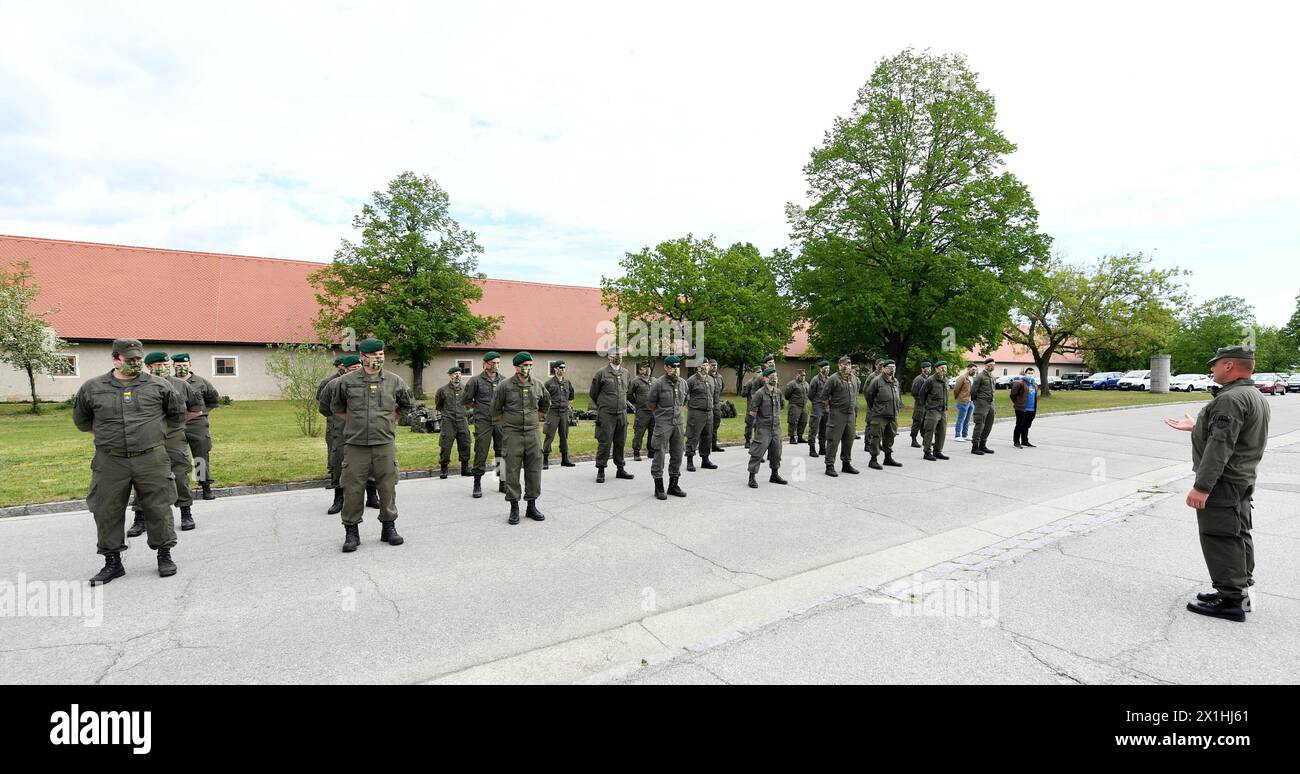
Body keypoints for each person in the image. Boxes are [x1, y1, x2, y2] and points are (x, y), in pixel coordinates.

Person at [1165, 346, 1270, 622]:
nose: (1211, 369)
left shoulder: (1231, 399)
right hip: (1240, 479)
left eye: (1215, 364)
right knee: (1238, 533)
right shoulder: (1252, 394)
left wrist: (1202, 486)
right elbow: (1232, 433)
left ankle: (1231, 599)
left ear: (1229, 366)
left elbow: (1220, 445)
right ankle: (1237, 588)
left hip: (1224, 482)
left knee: (1221, 536)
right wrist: (1198, 424)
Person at [74, 338, 186, 584]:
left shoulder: (160, 386)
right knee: (106, 509)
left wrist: (152, 433)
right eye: (130, 360)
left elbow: (176, 417)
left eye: (138, 359)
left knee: (158, 506)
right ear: (115, 359)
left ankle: (164, 554)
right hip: (110, 460)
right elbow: (82, 422)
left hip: (151, 458)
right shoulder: (93, 388)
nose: (136, 364)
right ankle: (112, 562)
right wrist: (109, 437)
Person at [330, 338, 414, 552]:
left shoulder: (394, 381)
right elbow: (337, 407)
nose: (379, 357)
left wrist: (387, 421)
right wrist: (356, 423)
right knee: (352, 488)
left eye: (381, 353)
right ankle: (351, 532)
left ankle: (389, 527)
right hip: (356, 444)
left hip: (384, 442)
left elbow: (406, 405)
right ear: (363, 357)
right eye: (374, 354)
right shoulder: (346, 382)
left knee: (387, 487)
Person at [126, 352, 203, 535]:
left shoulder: (181, 385)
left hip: (173, 437)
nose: (163, 366)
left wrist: (174, 424)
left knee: (180, 473)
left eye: (165, 363)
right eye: (157, 364)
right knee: (143, 477)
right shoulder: (137, 386)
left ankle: (186, 512)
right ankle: (140, 518)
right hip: (146, 438)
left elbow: (196, 409)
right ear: (148, 367)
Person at [492, 352, 550, 525]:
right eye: (524, 365)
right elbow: (495, 410)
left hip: (533, 433)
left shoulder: (538, 385)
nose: (527, 368)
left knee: (534, 470)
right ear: (516, 367)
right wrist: (510, 423)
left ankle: (531, 505)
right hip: (512, 434)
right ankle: (514, 507)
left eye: (530, 365)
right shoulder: (504, 386)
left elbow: (545, 405)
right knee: (511, 470)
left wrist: (535, 418)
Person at [170, 353, 220, 499]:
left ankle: (205, 486)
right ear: (173, 366)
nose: (182, 368)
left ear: (190, 365)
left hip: (197, 424)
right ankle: (180, 489)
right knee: (177, 457)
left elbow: (213, 401)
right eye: (179, 366)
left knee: (200, 456)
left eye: (185, 365)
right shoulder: (169, 382)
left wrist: (201, 414)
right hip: (175, 425)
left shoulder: (201, 382)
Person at [589, 346, 636, 483]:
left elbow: (627, 392)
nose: (618, 357)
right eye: (616, 355)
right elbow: (594, 393)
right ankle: (601, 469)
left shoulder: (626, 373)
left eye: (620, 354)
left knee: (620, 442)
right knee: (605, 442)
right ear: (609, 357)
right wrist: (603, 405)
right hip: (606, 414)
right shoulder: (601, 373)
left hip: (621, 413)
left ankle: (620, 469)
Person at [463, 350, 505, 498]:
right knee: (481, 450)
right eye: (493, 363)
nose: (495, 366)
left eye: (498, 363)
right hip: (483, 421)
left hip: (500, 421)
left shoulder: (504, 381)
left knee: (502, 451)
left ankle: (502, 481)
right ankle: (477, 483)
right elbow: (466, 400)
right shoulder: (475, 381)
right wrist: (480, 408)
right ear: (485, 363)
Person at [647, 355, 688, 500]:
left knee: (677, 453)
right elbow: (651, 404)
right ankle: (659, 486)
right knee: (659, 453)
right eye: (672, 366)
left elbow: (684, 401)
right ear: (666, 367)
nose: (676, 369)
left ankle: (673, 485)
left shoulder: (683, 383)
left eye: (678, 366)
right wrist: (662, 415)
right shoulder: (658, 384)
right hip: (663, 423)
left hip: (678, 422)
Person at [317, 356, 349, 512]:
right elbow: (323, 404)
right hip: (337, 425)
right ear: (339, 367)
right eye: (345, 365)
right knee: (337, 458)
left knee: (369, 463)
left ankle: (371, 495)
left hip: (361, 429)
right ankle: (338, 497)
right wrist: (336, 417)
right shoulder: (330, 383)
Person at [747, 366, 788, 488]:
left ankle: (774, 475)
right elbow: (752, 412)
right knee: (757, 453)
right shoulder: (759, 393)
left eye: (775, 376)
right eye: (772, 377)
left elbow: (781, 406)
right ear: (765, 378)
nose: (774, 379)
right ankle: (752, 477)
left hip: (776, 427)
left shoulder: (778, 391)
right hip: (763, 428)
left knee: (776, 452)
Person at [822, 356, 860, 476]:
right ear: (839, 365)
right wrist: (831, 409)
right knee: (833, 440)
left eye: (849, 364)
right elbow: (824, 397)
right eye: (844, 364)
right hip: (837, 413)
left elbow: (855, 395)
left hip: (851, 414)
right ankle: (829, 465)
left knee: (849, 440)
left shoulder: (854, 378)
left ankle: (846, 464)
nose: (847, 366)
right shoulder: (833, 379)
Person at [864, 359, 904, 470]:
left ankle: (888, 458)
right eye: (890, 367)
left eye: (894, 367)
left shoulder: (895, 381)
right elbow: (869, 396)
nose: (892, 369)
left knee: (890, 437)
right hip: (879, 415)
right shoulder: (876, 381)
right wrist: (876, 409)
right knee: (876, 437)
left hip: (892, 414)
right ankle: (873, 459)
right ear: (884, 368)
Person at [435, 365, 472, 479]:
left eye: (459, 374)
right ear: (450, 376)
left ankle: (465, 468)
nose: (457, 375)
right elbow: (439, 405)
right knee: (446, 444)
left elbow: (469, 404)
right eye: (455, 374)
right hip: (448, 421)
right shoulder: (442, 390)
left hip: (462, 420)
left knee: (465, 443)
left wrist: (462, 412)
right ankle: (444, 469)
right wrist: (448, 413)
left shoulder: (466, 389)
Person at [542, 360, 576, 469]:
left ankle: (565, 459)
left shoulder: (567, 382)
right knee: (549, 435)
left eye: (563, 368)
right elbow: (543, 398)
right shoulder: (549, 383)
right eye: (560, 368)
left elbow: (571, 395)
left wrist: (566, 404)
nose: (562, 370)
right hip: (553, 412)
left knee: (564, 435)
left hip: (564, 412)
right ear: (555, 369)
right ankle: (545, 459)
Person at [685, 361, 717, 472]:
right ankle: (690, 460)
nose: (705, 367)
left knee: (707, 436)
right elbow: (684, 394)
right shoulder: (691, 380)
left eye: (707, 365)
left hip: (708, 412)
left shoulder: (711, 379)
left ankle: (705, 459)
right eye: (702, 365)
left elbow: (713, 394)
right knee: (693, 436)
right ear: (698, 367)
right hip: (696, 412)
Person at [921, 361, 950, 461]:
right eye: (942, 368)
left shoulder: (945, 379)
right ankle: (927, 452)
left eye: (945, 368)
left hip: (943, 410)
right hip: (933, 410)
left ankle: (938, 451)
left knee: (942, 432)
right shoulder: (930, 380)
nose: (944, 370)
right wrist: (928, 407)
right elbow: (922, 394)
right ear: (937, 369)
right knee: (929, 431)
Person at [970, 357, 997, 455]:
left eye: (993, 365)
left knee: (988, 425)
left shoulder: (992, 377)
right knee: (980, 425)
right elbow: (973, 391)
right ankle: (975, 446)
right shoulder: (980, 376)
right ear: (986, 365)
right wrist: (976, 402)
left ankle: (983, 444)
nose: (992, 367)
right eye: (990, 365)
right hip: (981, 403)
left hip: (990, 403)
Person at [630, 361, 656, 461]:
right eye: (645, 368)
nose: (648, 369)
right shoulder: (636, 381)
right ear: (640, 370)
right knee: (639, 432)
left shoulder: (654, 380)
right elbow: (629, 395)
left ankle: (651, 451)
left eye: (648, 367)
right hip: (642, 411)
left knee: (653, 432)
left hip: (653, 411)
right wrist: (637, 403)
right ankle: (636, 452)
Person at [1009, 367, 1039, 448]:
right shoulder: (1019, 383)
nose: (1030, 375)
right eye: (1029, 373)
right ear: (1025, 373)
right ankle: (1016, 442)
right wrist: (1018, 402)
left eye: (1032, 373)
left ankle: (1025, 441)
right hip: (1021, 408)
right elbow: (1013, 395)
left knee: (1026, 426)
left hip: (1031, 409)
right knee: (1019, 425)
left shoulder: (1035, 384)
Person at [807, 359, 830, 458]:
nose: (827, 370)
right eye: (825, 368)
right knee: (814, 427)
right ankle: (812, 448)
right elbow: (810, 395)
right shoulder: (815, 379)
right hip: (817, 405)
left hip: (826, 407)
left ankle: (822, 448)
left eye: (828, 368)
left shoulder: (829, 379)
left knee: (824, 429)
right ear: (821, 368)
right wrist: (817, 402)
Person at [783, 369, 809, 446]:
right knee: (793, 422)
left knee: (803, 421)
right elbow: (787, 395)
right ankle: (792, 437)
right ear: (797, 375)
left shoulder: (806, 384)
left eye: (804, 375)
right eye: (801, 375)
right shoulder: (792, 384)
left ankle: (800, 436)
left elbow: (808, 393)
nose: (803, 377)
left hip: (804, 406)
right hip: (795, 405)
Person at [909, 362, 932, 448]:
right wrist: (921, 398)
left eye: (930, 368)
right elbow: (914, 392)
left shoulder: (929, 378)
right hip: (919, 405)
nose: (929, 369)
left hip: (927, 405)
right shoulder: (918, 379)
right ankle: (913, 440)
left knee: (925, 423)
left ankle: (925, 440)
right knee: (917, 421)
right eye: (927, 368)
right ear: (922, 369)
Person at [954, 363, 976, 442]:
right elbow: (956, 389)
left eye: (975, 370)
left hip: (971, 402)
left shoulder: (972, 378)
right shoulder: (962, 377)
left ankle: (965, 434)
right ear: (968, 369)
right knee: (961, 419)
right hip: (963, 401)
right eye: (973, 369)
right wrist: (959, 398)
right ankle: (957, 435)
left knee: (967, 419)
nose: (974, 371)